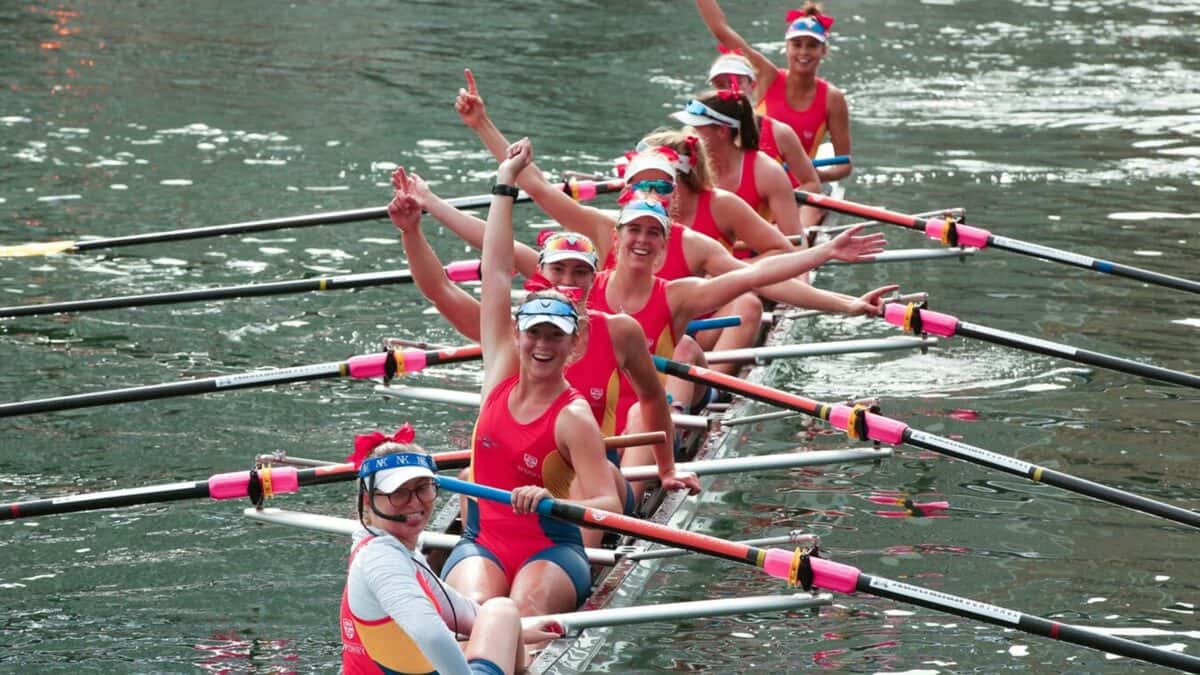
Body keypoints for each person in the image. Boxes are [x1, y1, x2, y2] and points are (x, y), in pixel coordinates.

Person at [452, 69, 897, 380]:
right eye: (641, 187)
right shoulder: (602, 228)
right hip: (591, 360)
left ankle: (707, 400)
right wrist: (480, 126)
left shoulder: (702, 237)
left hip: (679, 341)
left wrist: (844, 299)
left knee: (741, 308)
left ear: (679, 183)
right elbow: (533, 189)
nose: (652, 198)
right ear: (625, 196)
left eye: (661, 187)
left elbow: (767, 272)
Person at [386, 167, 698, 518]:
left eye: (580, 271)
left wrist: (667, 468)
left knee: (581, 475)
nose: (569, 281)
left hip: (595, 476)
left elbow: (653, 395)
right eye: (558, 270)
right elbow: (441, 289)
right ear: (541, 275)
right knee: (470, 476)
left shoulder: (620, 330)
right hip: (519, 476)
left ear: (595, 279)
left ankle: (593, 552)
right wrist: (411, 231)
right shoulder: (509, 335)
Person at [435, 138, 622, 616]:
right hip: (483, 542)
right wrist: (504, 184)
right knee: (474, 610)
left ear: (573, 344)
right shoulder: (500, 370)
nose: (542, 346)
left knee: (520, 611)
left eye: (554, 337)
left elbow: (609, 502)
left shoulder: (575, 416)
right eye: (533, 333)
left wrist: (551, 500)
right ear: (516, 336)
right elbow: (495, 271)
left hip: (553, 550)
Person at [341, 437, 561, 675]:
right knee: (501, 610)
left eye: (423, 488)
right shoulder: (381, 558)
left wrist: (520, 629)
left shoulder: (381, 547)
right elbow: (430, 634)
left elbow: (461, 612)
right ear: (368, 499)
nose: (414, 502)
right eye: (399, 492)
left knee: (501, 613)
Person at [696, 1, 852, 183]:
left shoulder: (832, 99)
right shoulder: (767, 75)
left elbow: (845, 164)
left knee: (812, 211)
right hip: (757, 183)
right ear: (787, 47)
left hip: (800, 188)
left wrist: (814, 176)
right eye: (797, 44)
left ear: (823, 50)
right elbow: (721, 30)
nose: (804, 52)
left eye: (812, 46)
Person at [705, 52, 827, 232]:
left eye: (737, 82)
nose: (730, 91)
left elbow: (812, 184)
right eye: (720, 85)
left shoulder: (780, 133)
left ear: (752, 86)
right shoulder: (700, 134)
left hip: (766, 232)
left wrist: (783, 213)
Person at [670, 89, 805, 239]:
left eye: (695, 128)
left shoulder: (767, 172)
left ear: (722, 131)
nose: (687, 133)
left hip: (754, 259)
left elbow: (796, 243)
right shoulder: (683, 168)